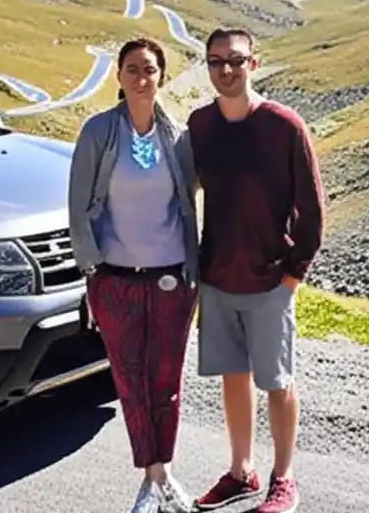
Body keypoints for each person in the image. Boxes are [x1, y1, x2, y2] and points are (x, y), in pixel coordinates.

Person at [186, 28, 325, 513]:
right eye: (216, 61)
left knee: (277, 381)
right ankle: (241, 471)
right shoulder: (200, 124)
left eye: (236, 60)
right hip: (218, 276)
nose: (226, 69)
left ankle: (284, 478)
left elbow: (312, 206)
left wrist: (294, 273)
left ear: (254, 64)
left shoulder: (284, 126)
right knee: (233, 375)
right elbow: (184, 191)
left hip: (270, 280)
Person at [68, 38, 202, 513]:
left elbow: (193, 199)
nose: (141, 78)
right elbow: (78, 203)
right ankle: (152, 478)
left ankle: (161, 476)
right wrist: (90, 266)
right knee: (130, 382)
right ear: (119, 77)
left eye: (149, 69)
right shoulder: (98, 132)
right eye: (132, 69)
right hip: (115, 278)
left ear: (161, 76)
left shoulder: (179, 137)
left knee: (167, 381)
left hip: (172, 278)